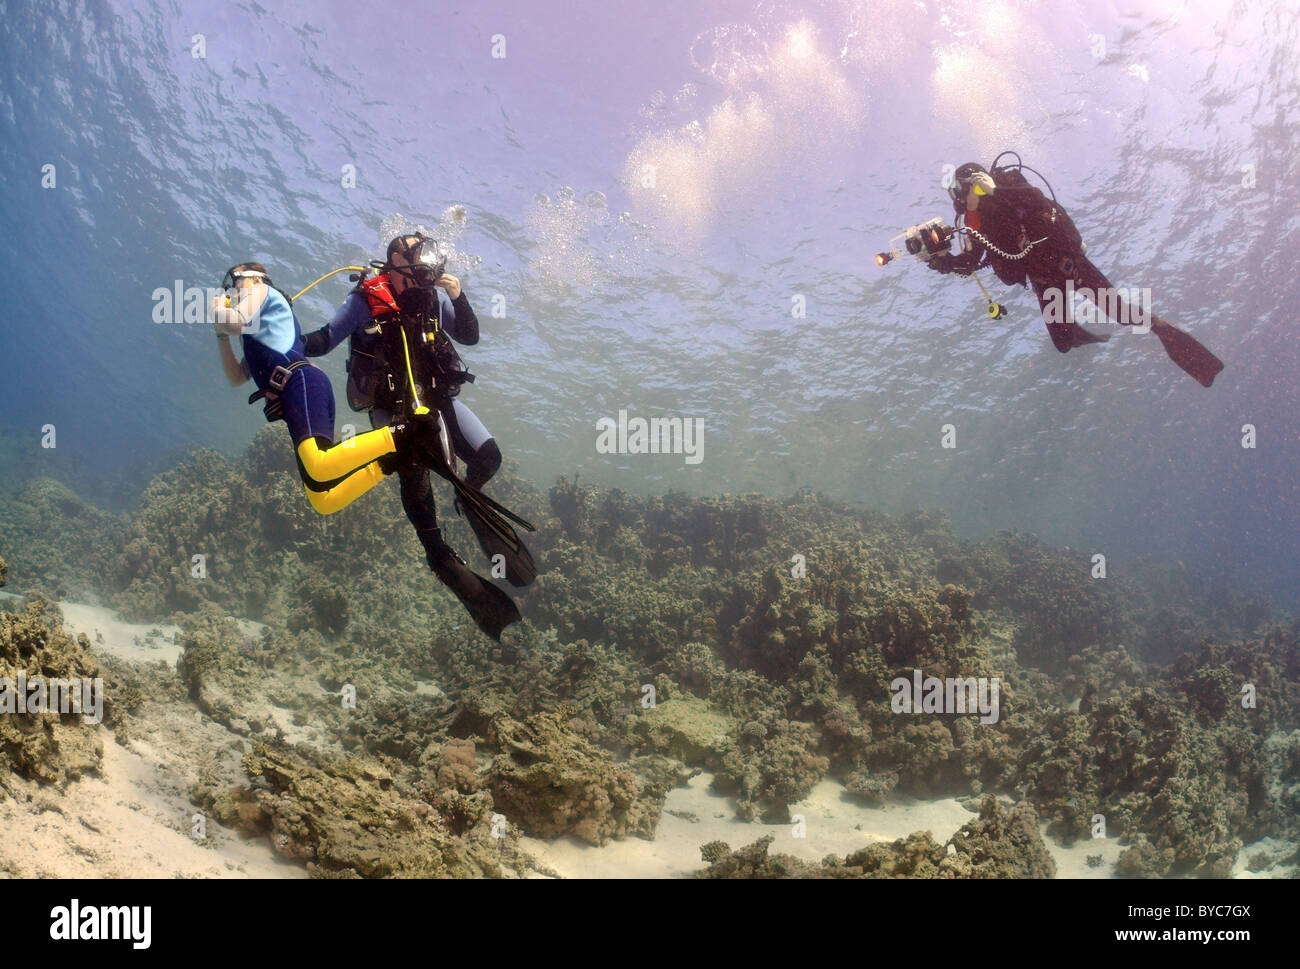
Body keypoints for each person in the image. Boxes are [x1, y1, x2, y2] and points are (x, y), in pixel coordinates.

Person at [301, 233, 535, 635]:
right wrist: (274, 340)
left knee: (488, 458)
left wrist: (459, 296)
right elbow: (322, 341)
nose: (427, 263)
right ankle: (439, 556)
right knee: (419, 482)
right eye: (417, 253)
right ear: (394, 260)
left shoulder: (433, 298)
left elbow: (469, 335)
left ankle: (468, 500)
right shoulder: (364, 301)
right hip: (394, 415)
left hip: (438, 401)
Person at [927, 157, 1224, 387]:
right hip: (1045, 280)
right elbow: (970, 262)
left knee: (1123, 313)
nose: (957, 200)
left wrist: (995, 189)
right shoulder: (974, 222)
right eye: (954, 193)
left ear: (974, 183)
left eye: (959, 191)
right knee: (1063, 343)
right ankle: (1083, 335)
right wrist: (942, 262)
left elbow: (1039, 202)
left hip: (1067, 262)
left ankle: (1169, 335)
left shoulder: (1010, 187)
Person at [210, 262, 426, 515]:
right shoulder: (259, 333)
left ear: (255, 279)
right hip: (297, 392)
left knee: (320, 465)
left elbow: (234, 322)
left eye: (233, 284)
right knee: (323, 500)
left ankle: (408, 432)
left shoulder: (260, 291)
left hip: (303, 383)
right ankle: (390, 461)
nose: (230, 293)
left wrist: (217, 311)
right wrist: (221, 337)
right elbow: (236, 377)